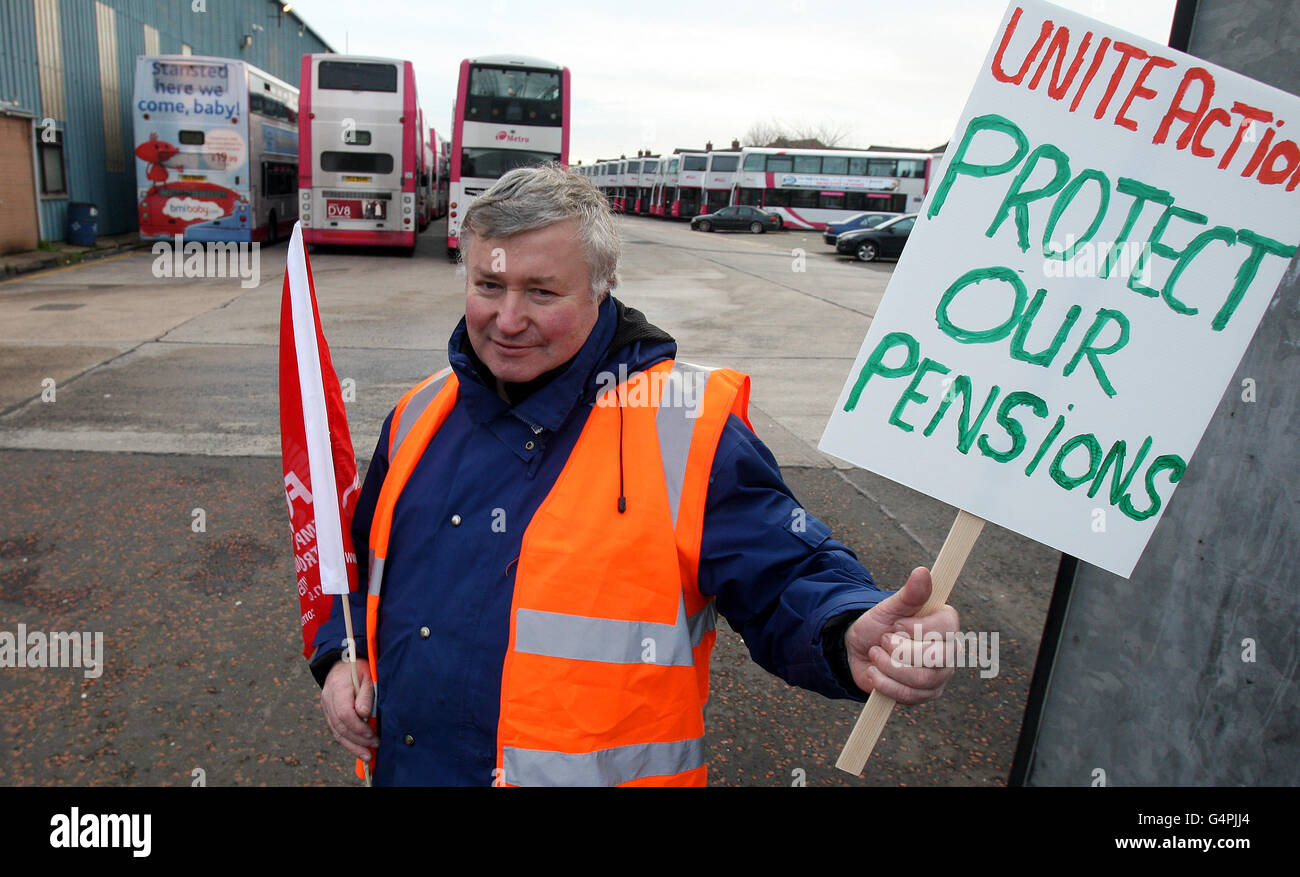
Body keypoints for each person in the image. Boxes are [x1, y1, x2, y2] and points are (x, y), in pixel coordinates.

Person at [311, 163, 960, 786]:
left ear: (601, 286)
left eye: (541, 292)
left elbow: (787, 570)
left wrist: (846, 625)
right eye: (489, 285)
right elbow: (357, 573)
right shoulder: (418, 414)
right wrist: (341, 657)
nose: (508, 320)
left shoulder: (684, 429)